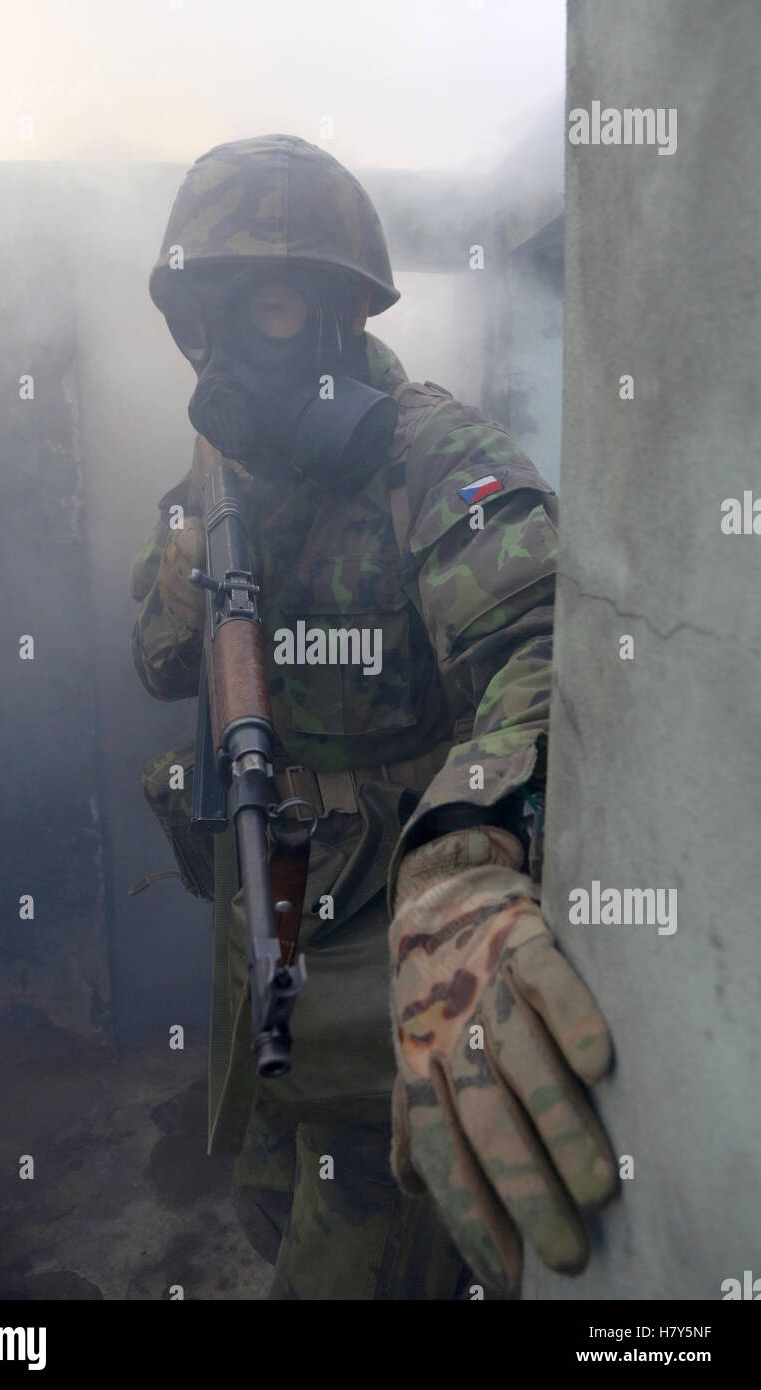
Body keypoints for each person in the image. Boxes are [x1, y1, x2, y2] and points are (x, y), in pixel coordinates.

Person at [130, 133, 617, 1300]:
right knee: (263, 1187)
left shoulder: (430, 456)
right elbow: (154, 664)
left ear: (348, 310)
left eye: (279, 303)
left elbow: (554, 647)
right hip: (268, 942)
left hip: (396, 962)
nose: (239, 337)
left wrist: (468, 850)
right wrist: (187, 561)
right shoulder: (214, 475)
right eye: (213, 307)